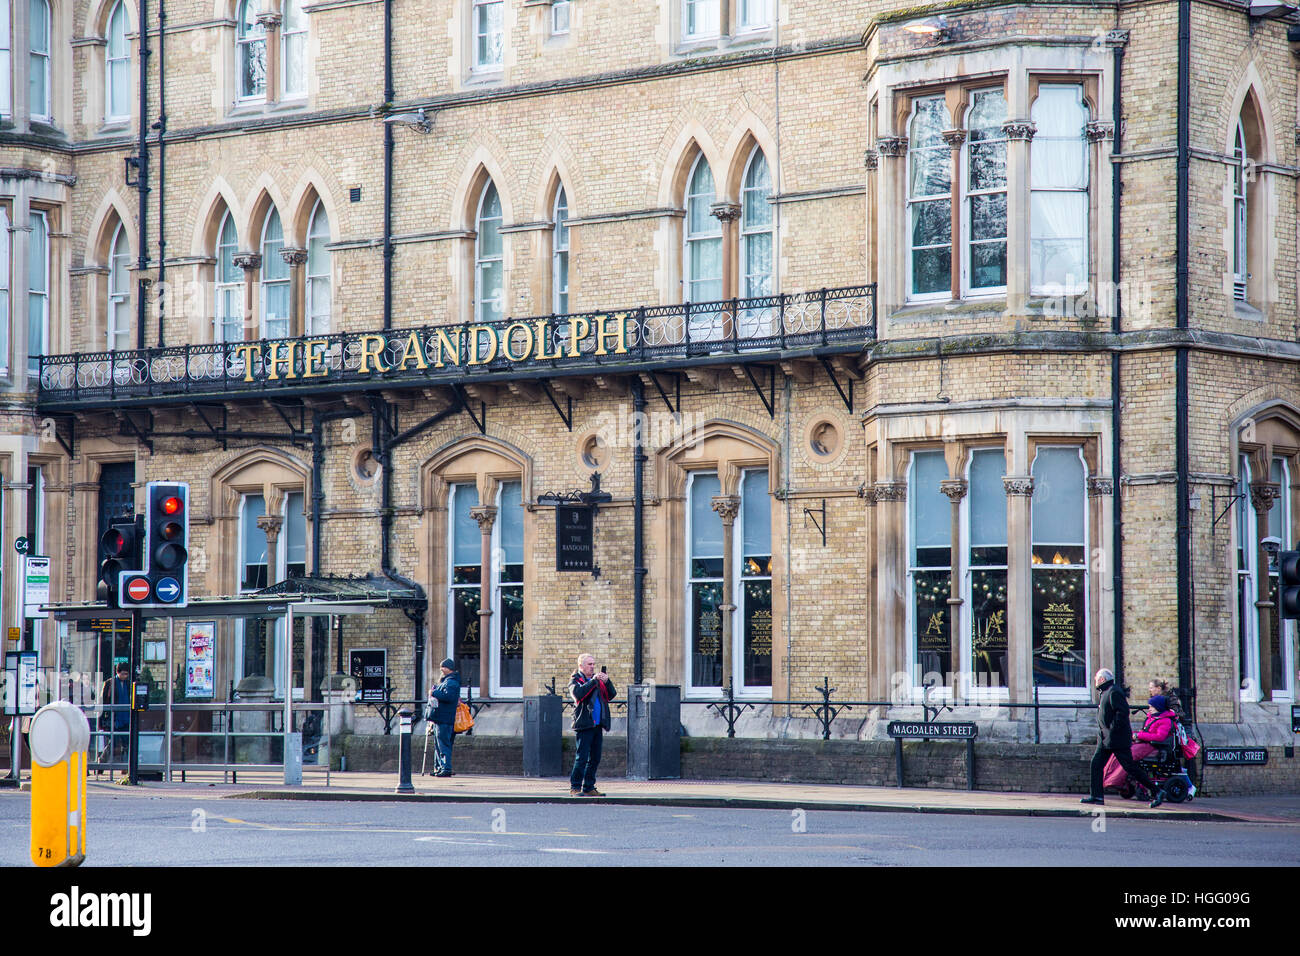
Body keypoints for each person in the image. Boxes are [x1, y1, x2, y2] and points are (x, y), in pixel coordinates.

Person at [1082, 668, 1167, 808]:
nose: (1095, 681)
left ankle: (1157, 791)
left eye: (1096, 678)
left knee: (1129, 767)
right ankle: (1096, 796)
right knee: (1096, 764)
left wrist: (1112, 730)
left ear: (1102, 679)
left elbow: (1122, 713)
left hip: (1116, 739)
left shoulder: (1114, 691)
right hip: (1105, 739)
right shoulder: (1106, 691)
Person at [1102, 694, 1176, 791]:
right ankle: (1106, 779)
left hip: (1153, 746)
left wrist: (1139, 736)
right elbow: (1145, 732)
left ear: (1158, 707)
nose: (1149, 708)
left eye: (1152, 706)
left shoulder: (1165, 721)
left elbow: (1159, 737)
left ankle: (1114, 781)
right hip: (1144, 743)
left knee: (1128, 756)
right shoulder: (1152, 718)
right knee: (1118, 751)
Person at [568, 652, 616, 797]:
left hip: (597, 725)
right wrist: (593, 681)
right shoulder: (575, 680)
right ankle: (575, 787)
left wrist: (607, 681)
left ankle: (589, 787)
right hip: (584, 724)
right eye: (589, 664)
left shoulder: (597, 681)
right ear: (581, 666)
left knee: (595, 758)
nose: (592, 667)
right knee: (581, 757)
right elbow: (578, 694)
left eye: (594, 664)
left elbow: (611, 694)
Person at [426, 658, 461, 777]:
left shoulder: (452, 682)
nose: (441, 669)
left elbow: (448, 697)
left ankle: (445, 769)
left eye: (443, 667)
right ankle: (439, 768)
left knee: (443, 744)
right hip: (439, 718)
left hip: (444, 719)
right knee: (438, 744)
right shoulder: (447, 681)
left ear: (449, 668)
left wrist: (433, 693)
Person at [98, 663, 131, 764]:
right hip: (115, 717)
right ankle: (102, 761)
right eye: (123, 674)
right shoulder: (110, 683)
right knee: (113, 742)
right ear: (118, 672)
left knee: (126, 742)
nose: (125, 676)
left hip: (126, 716)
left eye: (127, 674)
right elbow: (103, 700)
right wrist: (102, 718)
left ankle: (125, 765)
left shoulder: (128, 684)